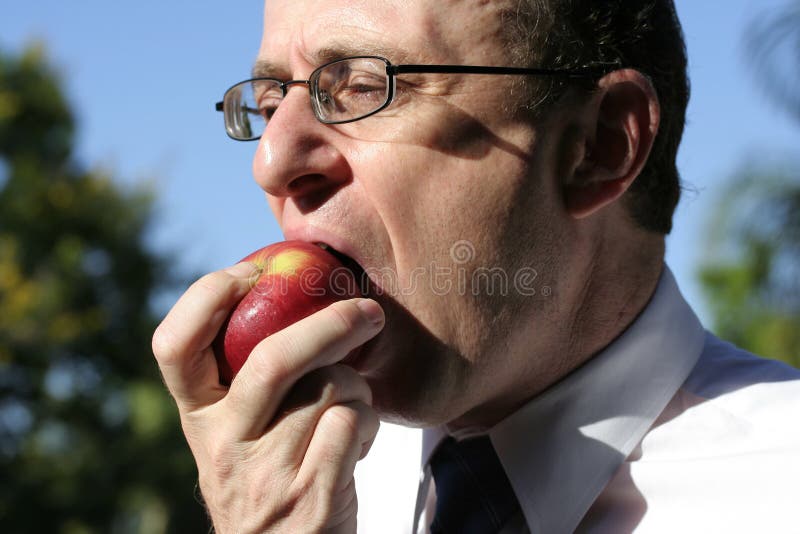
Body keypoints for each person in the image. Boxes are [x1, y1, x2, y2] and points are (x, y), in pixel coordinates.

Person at [152, 0, 800, 532]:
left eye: (362, 86)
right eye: (269, 103)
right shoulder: (292, 490)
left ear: (599, 145)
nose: (272, 162)